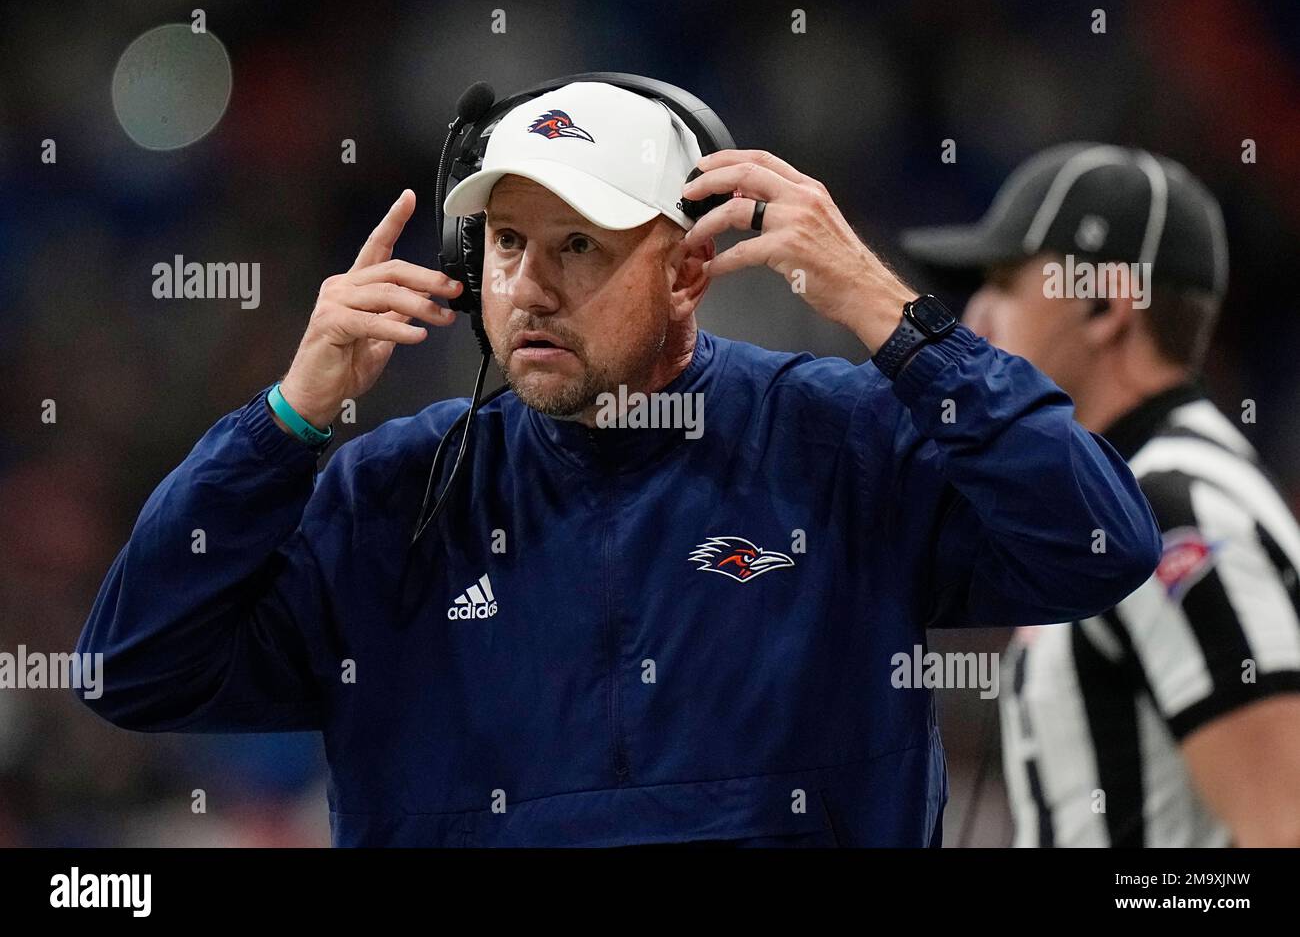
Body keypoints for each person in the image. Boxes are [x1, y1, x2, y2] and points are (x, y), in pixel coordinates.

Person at [75, 82, 1160, 847]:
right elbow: (131, 670)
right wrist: (282, 424)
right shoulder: (389, 493)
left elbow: (1099, 544)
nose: (529, 287)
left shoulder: (839, 440)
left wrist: (899, 324)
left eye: (579, 244)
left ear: (688, 270)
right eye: (506, 244)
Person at [902, 142, 1300, 847]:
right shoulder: (1130, 499)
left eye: (1004, 280)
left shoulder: (1181, 510)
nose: (977, 317)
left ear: (1104, 305)